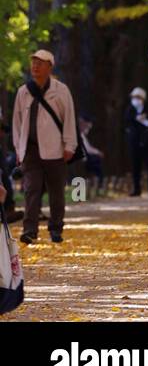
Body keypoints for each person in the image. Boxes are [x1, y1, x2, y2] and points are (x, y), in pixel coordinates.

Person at [12, 48, 76, 245]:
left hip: (55, 149)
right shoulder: (23, 91)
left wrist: (70, 145)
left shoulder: (61, 90)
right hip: (30, 150)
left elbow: (69, 119)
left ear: (50, 66)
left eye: (40, 63)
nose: (35, 66)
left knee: (56, 191)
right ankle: (29, 230)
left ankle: (56, 228)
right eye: (33, 62)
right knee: (31, 189)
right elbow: (17, 122)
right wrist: (18, 149)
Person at [124, 87, 148, 197]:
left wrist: (146, 116)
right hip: (134, 143)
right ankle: (137, 189)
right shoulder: (130, 109)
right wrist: (135, 117)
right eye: (134, 97)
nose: (135, 100)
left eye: (138, 97)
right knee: (135, 167)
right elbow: (126, 120)